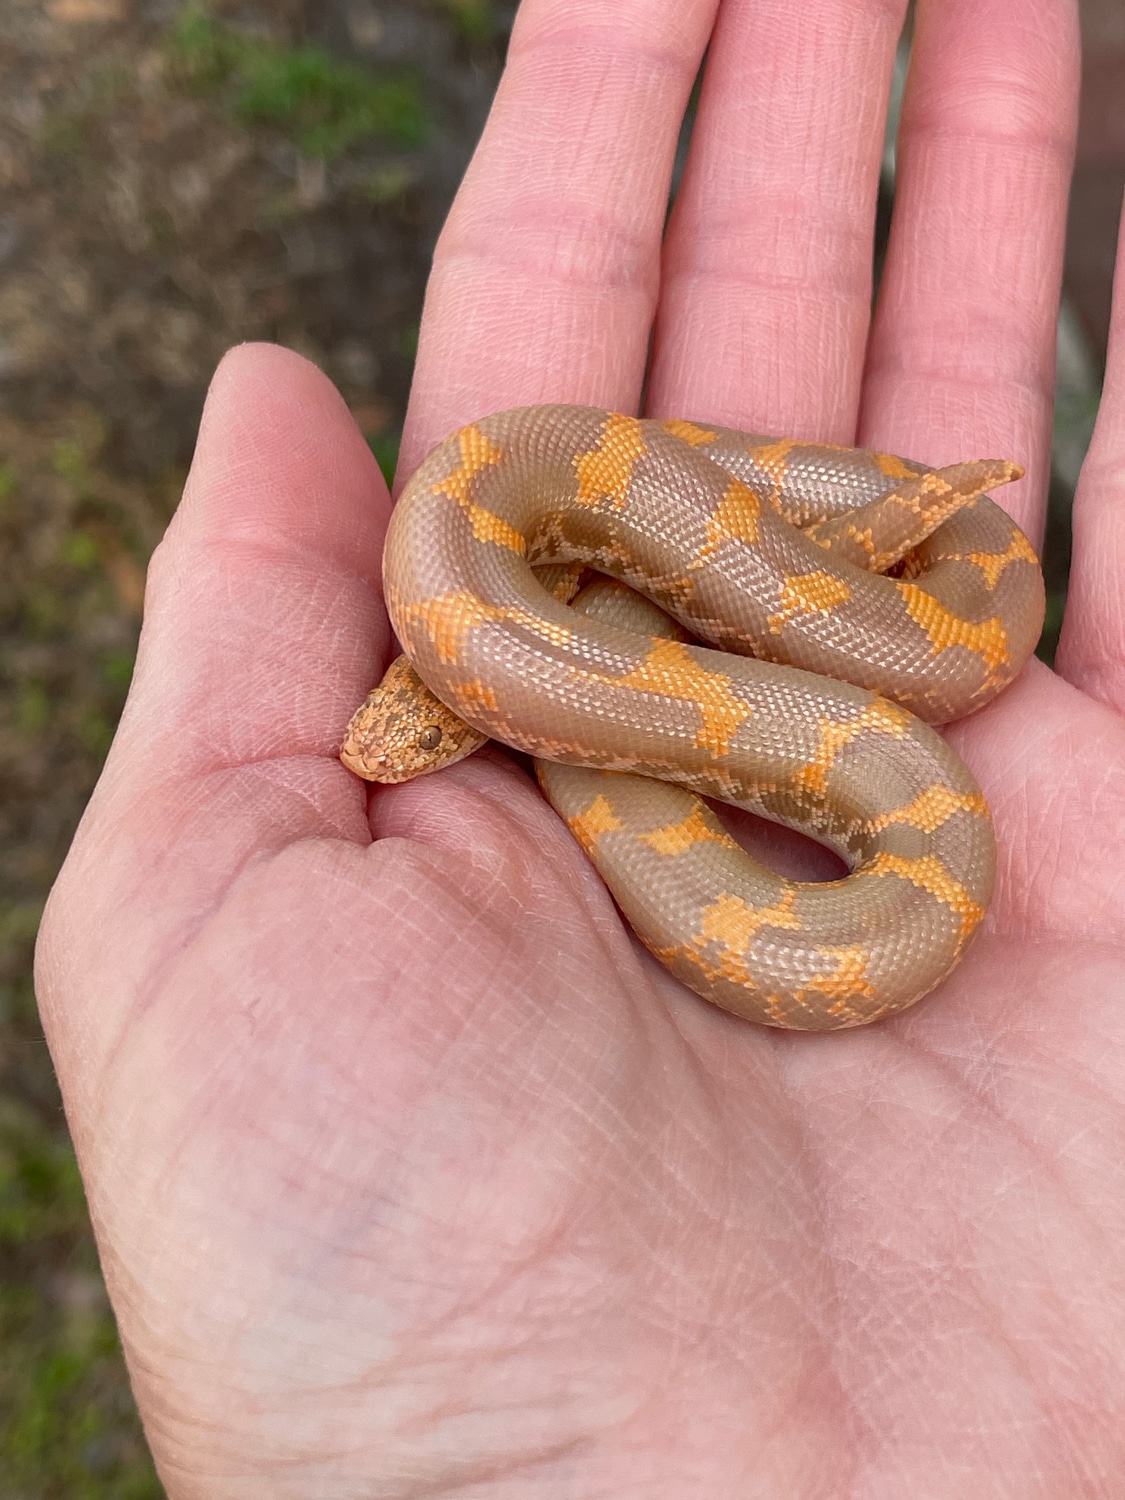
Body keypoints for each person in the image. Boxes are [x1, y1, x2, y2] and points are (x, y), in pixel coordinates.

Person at [35, 0, 1125, 1490]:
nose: (385, 744)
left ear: (495, 709)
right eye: (432, 710)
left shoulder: (558, 670)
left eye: (435, 712)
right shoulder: (565, 660)